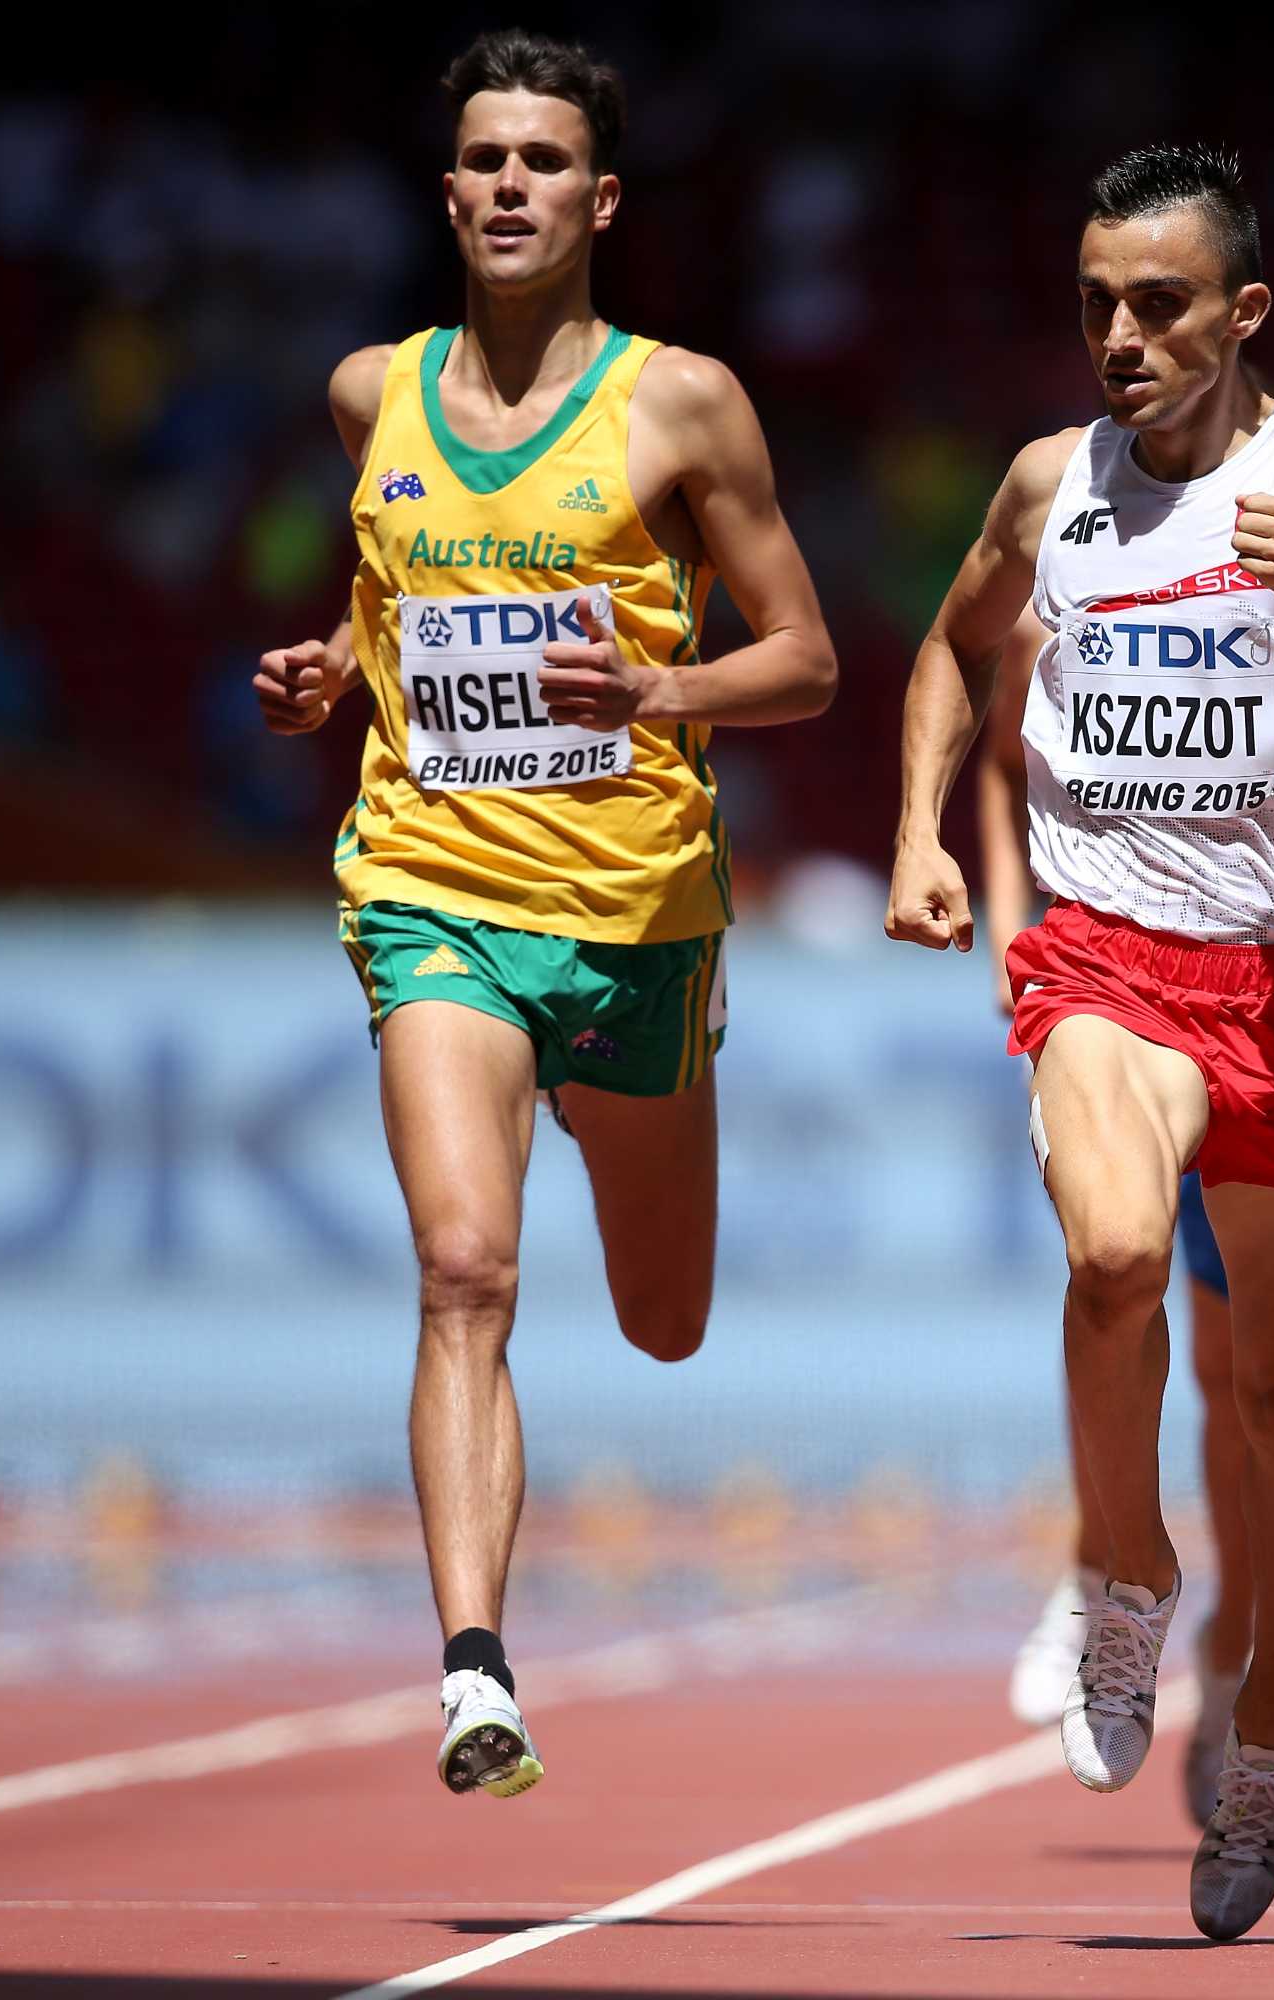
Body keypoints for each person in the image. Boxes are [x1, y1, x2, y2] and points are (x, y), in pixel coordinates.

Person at [885, 144, 1274, 1940]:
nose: (1120, 337)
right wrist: (928, 833)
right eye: (1095, 303)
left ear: (1244, 313)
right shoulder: (1045, 487)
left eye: (1157, 304)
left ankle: (1269, 1724)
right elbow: (947, 652)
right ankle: (1122, 1572)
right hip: (1109, 958)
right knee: (1114, 1254)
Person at [249, 30, 835, 1799]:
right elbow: (396, 590)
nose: (510, 186)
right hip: (432, 887)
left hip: (637, 919)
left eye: (543, 163)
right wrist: (328, 672)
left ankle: (651, 1081)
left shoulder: (684, 404)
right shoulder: (372, 393)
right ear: (449, 196)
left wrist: (659, 698)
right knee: (463, 1271)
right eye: (482, 161)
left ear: (601, 200)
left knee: (664, 1319)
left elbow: (804, 660)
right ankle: (476, 1672)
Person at [987, 605, 1274, 1834]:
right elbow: (992, 736)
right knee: (1114, 1269)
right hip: (1124, 988)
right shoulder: (1093, 581)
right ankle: (1105, 1570)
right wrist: (996, 901)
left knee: (1258, 1386)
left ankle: (1236, 1656)